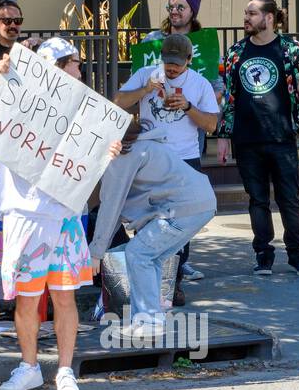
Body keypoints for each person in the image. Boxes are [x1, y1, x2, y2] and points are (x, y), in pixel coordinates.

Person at [0, 38, 120, 390]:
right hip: (24, 212)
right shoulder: (20, 98)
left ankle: (65, 371)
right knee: (27, 299)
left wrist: (104, 153)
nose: (81, 69)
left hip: (64, 214)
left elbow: (87, 160)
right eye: (75, 62)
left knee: (65, 295)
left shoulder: (84, 112)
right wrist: (4, 74)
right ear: (57, 69)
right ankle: (30, 367)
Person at [88, 120, 217, 341]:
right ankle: (149, 319)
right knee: (150, 258)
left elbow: (111, 205)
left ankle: (149, 321)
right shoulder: (142, 145)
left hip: (182, 208)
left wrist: (96, 252)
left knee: (138, 254)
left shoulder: (121, 156)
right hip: (199, 203)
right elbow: (115, 208)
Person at [216, 0, 299, 278]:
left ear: (269, 17)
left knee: (289, 198)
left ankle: (297, 254)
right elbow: (227, 97)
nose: (246, 18)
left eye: (252, 13)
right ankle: (263, 254)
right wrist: (223, 136)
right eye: (246, 13)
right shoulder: (235, 52)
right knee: (257, 199)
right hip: (246, 138)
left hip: (281, 136)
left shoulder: (290, 49)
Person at [114, 33, 219, 302]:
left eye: (177, 64)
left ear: (189, 60)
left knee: (179, 225)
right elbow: (117, 102)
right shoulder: (146, 74)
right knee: (148, 221)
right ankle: (148, 287)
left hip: (184, 159)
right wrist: (145, 89)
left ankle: (174, 284)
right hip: (150, 160)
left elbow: (210, 125)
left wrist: (187, 107)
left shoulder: (199, 83)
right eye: (167, 62)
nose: (171, 69)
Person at [142, 0, 222, 278]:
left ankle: (180, 261)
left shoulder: (204, 45)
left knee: (186, 204)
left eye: (181, 7)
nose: (174, 11)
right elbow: (137, 77)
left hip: (189, 136)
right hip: (154, 142)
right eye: (171, 6)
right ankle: (157, 259)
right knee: (158, 204)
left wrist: (198, 101)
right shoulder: (153, 41)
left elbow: (216, 86)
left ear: (192, 12)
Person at [0, 1, 38, 201]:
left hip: (27, 128)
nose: (13, 25)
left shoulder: (31, 51)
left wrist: (41, 45)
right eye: (7, 20)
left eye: (17, 21)